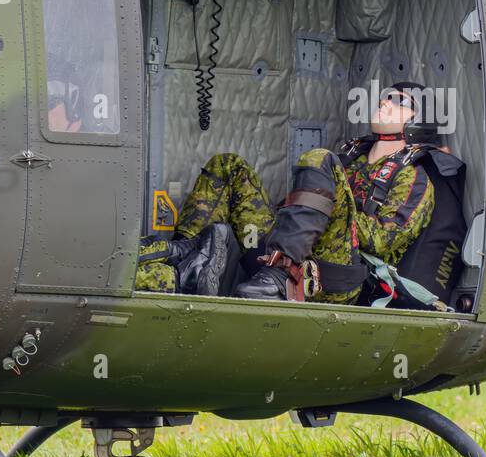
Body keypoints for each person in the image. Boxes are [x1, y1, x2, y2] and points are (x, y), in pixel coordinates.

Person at [137, 82, 438, 304]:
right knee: (228, 166)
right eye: (384, 97)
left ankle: (282, 275)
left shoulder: (414, 179)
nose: (383, 103)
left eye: (397, 100)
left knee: (319, 157)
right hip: (286, 243)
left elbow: (385, 242)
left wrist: (329, 207)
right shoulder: (350, 159)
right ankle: (191, 254)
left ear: (418, 120)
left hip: (332, 271)